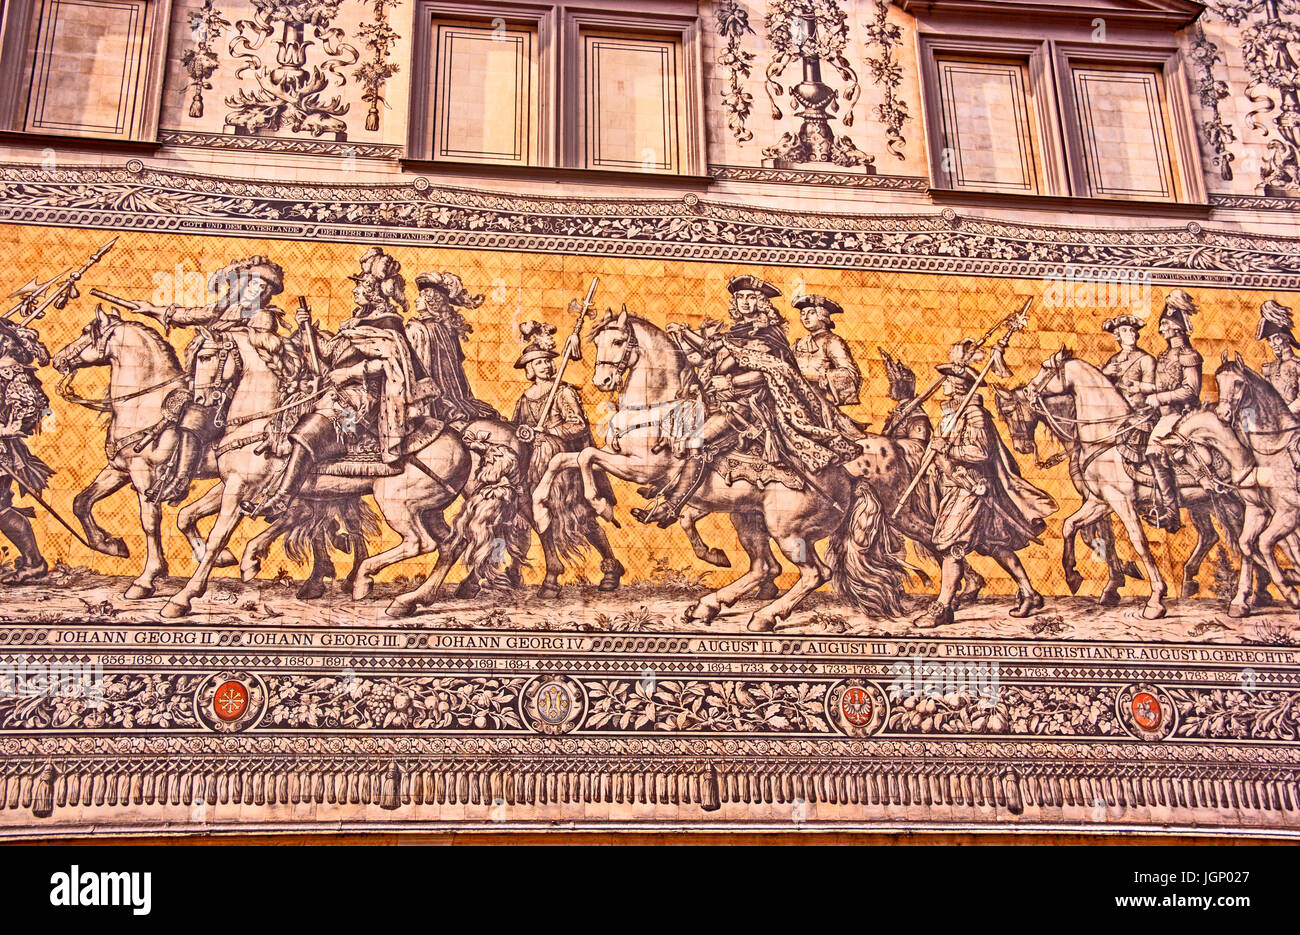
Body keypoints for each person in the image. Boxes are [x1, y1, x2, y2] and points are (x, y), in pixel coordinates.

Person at [632, 275, 861, 528]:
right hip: (721, 401)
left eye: (751, 297)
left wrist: (731, 384)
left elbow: (767, 373)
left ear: (762, 302)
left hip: (746, 406)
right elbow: (711, 349)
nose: (744, 302)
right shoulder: (739, 331)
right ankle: (666, 484)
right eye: (740, 297)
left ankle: (672, 507)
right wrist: (685, 333)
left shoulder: (768, 334)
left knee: (696, 442)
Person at [250, 248, 431, 518]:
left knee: (307, 431)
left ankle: (280, 499)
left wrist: (349, 374)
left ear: (373, 293)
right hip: (335, 395)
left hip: (359, 402)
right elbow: (330, 357)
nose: (355, 291)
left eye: (360, 287)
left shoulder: (387, 324)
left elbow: (390, 365)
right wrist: (306, 327)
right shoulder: (356, 324)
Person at [130, 255, 287, 504]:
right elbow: (191, 314)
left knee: (194, 418)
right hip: (207, 378)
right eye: (252, 284)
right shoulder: (224, 309)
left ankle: (180, 481)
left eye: (261, 287)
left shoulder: (261, 316)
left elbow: (263, 346)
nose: (254, 291)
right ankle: (166, 466)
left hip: (236, 388)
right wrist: (152, 309)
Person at [912, 358, 1056, 629]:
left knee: (950, 545)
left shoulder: (975, 414)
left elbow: (980, 453)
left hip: (971, 487)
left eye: (949, 379)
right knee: (994, 544)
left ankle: (942, 608)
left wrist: (947, 450)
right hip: (955, 486)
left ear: (959, 384)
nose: (944, 383)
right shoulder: (952, 413)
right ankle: (1029, 592)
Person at [511, 322, 623, 593]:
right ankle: (545, 569)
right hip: (533, 465)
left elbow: (578, 425)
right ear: (530, 369)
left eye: (548, 362)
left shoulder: (563, 391)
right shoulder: (524, 399)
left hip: (563, 464)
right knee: (535, 514)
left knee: (580, 518)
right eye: (539, 363)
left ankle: (610, 562)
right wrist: (524, 433)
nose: (546, 367)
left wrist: (548, 429)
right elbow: (516, 429)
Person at [1139, 289, 1202, 532]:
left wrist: (1159, 397)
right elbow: (1162, 385)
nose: (1161, 329)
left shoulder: (1189, 355)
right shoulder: (1164, 356)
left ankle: (1171, 513)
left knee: (1154, 452)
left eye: (1165, 324)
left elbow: (1190, 390)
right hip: (1162, 414)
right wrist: (1143, 388)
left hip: (1181, 416)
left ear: (1177, 327)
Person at [406, 271, 498, 425]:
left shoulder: (418, 329)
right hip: (452, 397)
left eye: (421, 296)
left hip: (431, 401)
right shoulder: (445, 329)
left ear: (432, 300)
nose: (416, 299)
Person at [0, 354, 54, 583]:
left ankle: (34, 563)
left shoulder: (9, 363)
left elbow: (36, 404)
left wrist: (8, 429)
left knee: (1, 508)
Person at [793, 295, 861, 408]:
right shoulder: (799, 343)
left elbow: (850, 375)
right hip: (797, 399)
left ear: (822, 315)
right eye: (803, 314)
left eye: (811, 313)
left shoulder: (832, 341)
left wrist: (819, 376)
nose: (806, 317)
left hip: (822, 402)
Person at [1100, 314, 1156, 410]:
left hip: (1139, 411)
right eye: (1124, 330)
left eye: (1132, 330)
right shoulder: (1114, 359)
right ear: (1118, 336)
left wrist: (1138, 387)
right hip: (1115, 409)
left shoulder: (1146, 359)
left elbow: (1152, 388)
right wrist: (1105, 372)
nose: (1130, 333)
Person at [879, 348, 931, 446]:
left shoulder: (916, 416)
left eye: (892, 385)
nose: (889, 390)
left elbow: (918, 448)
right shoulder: (898, 412)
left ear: (901, 387)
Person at [1258, 300, 1300, 414]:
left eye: (1276, 338)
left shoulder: (1297, 365)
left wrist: (1285, 414)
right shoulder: (1269, 368)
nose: (1272, 344)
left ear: (1286, 338)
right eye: (1269, 340)